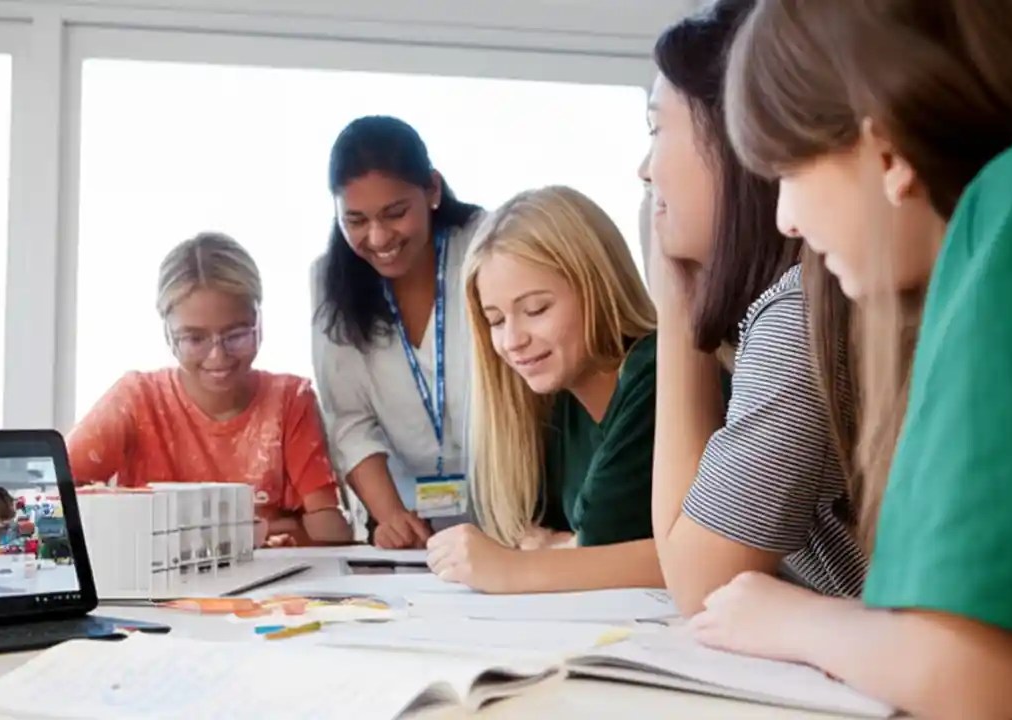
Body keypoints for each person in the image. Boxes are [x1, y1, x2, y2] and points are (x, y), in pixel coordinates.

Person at [689, 1, 1012, 716]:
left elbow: (973, 674)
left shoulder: (1007, 222)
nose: (784, 217)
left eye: (787, 169)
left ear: (887, 151)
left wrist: (792, 620)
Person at [640, 0, 866, 616]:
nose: (644, 171)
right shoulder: (794, 304)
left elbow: (697, 582)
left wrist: (677, 302)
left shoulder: (802, 313)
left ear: (737, 139)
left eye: (656, 132)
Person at [425, 186, 663, 593]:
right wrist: (562, 549)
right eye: (496, 321)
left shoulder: (654, 373)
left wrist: (541, 557)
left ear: (597, 286)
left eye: (536, 309)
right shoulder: (554, 398)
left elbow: (600, 537)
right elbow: (540, 537)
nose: (512, 340)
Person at [68, 232, 351, 547]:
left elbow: (331, 529)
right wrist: (258, 529)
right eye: (194, 339)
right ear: (168, 335)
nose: (218, 356)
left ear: (259, 321)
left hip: (272, 588)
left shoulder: (289, 399)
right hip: (159, 588)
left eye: (236, 335)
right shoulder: (136, 399)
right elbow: (52, 495)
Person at [312, 115, 484, 549]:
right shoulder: (329, 281)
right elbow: (348, 418)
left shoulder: (488, 244)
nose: (378, 236)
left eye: (395, 213)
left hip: (518, 502)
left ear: (432, 190)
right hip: (409, 516)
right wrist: (390, 516)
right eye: (355, 220)